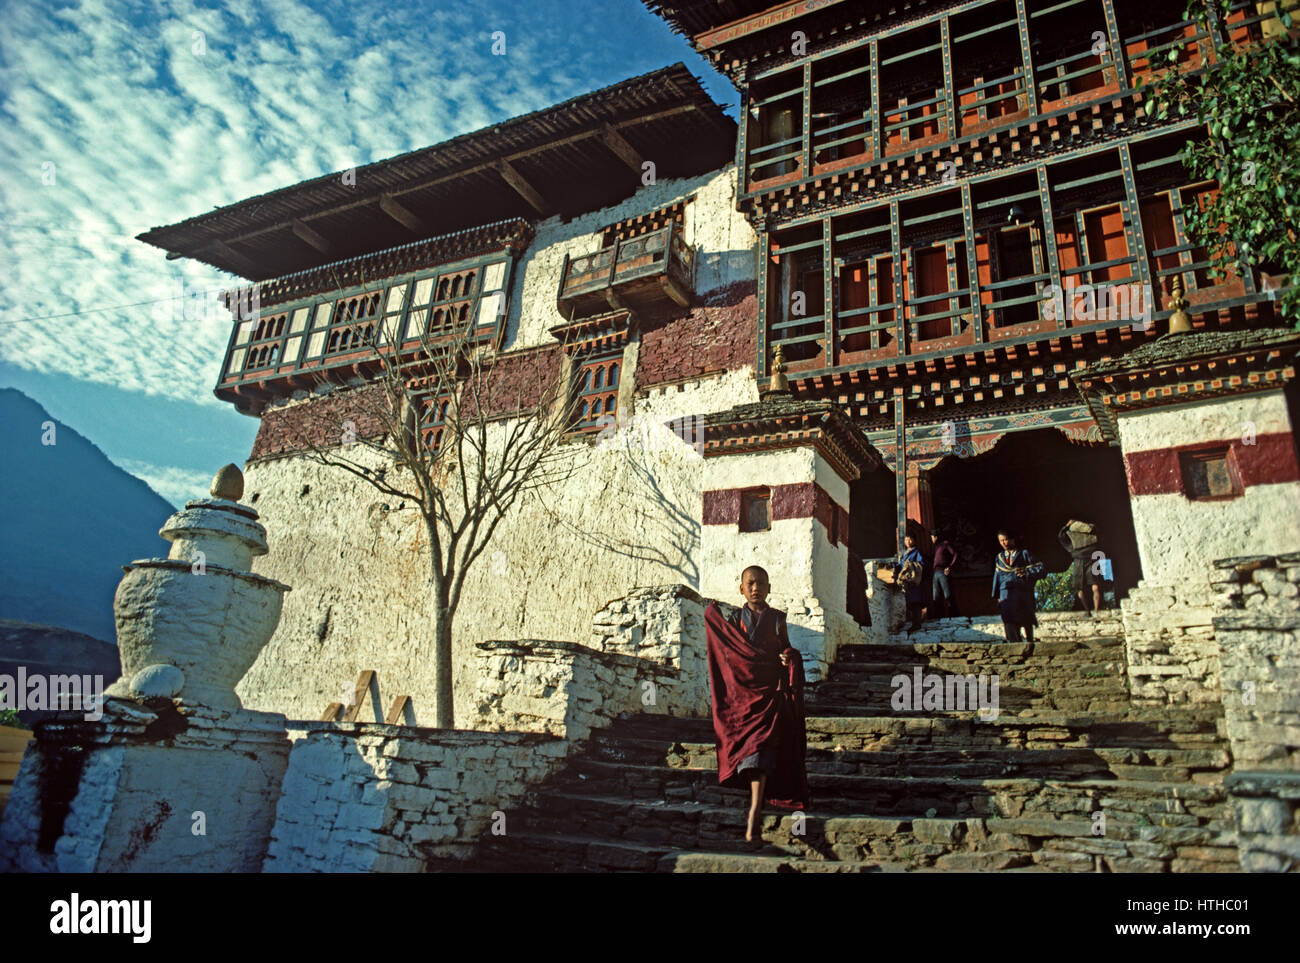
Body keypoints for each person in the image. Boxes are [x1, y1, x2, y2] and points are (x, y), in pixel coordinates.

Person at [704, 565, 809, 843]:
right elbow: (728, 655)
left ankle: (754, 813)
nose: (755, 588)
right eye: (750, 583)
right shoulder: (735, 618)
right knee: (752, 754)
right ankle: (755, 809)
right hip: (743, 700)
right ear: (741, 588)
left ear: (769, 588)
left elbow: (787, 649)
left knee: (760, 753)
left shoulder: (777, 619)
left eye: (761, 583)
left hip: (768, 699)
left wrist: (789, 656)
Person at [991, 529, 1044, 644]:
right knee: (1008, 618)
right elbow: (997, 576)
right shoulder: (999, 557)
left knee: (1025, 618)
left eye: (1006, 540)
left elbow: (1041, 568)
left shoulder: (1024, 553)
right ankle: (1014, 643)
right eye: (1001, 541)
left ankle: (1029, 641)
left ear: (1012, 539)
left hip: (1021, 591)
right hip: (1005, 592)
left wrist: (1026, 572)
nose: (1004, 543)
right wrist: (996, 595)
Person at [1058, 518, 1107, 615]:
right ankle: (1096, 611)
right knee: (1095, 587)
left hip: (1078, 561)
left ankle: (1088, 612)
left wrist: (1067, 526)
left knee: (1079, 589)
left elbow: (1060, 536)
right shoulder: (1091, 535)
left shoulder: (1072, 540)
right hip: (1093, 559)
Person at [892, 534, 927, 633]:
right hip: (906, 582)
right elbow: (901, 565)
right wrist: (894, 565)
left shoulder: (916, 552)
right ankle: (913, 622)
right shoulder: (904, 554)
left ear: (914, 541)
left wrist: (910, 565)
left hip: (913, 581)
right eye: (906, 540)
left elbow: (921, 564)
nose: (908, 542)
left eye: (910, 539)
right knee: (909, 602)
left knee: (916, 602)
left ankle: (917, 624)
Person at [930, 528, 958, 619]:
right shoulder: (937, 547)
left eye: (932, 537)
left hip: (943, 571)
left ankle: (952, 615)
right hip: (935, 573)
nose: (932, 539)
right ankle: (939, 616)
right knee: (936, 596)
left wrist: (950, 566)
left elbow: (955, 554)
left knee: (947, 594)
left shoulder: (945, 544)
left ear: (936, 537)